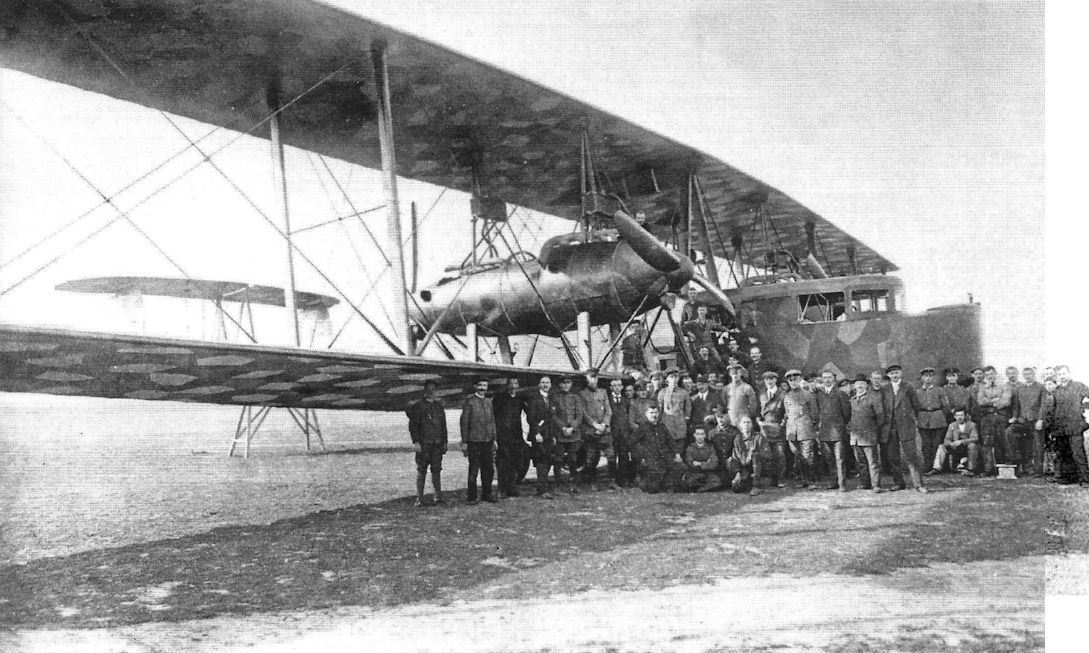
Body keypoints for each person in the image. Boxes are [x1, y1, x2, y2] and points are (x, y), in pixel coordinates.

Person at [885, 364, 928, 493]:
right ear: (888, 376)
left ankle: (919, 484)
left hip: (906, 426)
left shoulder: (908, 387)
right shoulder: (885, 389)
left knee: (912, 456)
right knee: (893, 457)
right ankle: (898, 483)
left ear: (901, 373)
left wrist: (910, 420)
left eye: (897, 372)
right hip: (891, 427)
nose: (895, 375)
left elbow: (916, 405)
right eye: (892, 373)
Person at [405, 380, 448, 507]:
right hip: (424, 445)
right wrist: (416, 442)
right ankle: (419, 497)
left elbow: (443, 427)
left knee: (436, 470)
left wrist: (444, 442)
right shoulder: (418, 407)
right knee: (421, 471)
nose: (431, 392)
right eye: (429, 389)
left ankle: (438, 496)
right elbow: (413, 426)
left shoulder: (439, 407)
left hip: (437, 445)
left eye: (433, 389)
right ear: (425, 391)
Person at [1047, 365, 1089, 486]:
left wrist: (1085, 410)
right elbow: (1052, 410)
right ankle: (1067, 478)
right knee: (1063, 453)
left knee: (1078, 453)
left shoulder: (1078, 386)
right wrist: (1052, 427)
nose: (1062, 376)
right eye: (1059, 374)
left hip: (1075, 426)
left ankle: (1085, 479)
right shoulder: (1056, 391)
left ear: (1069, 373)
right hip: (1060, 427)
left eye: (1064, 373)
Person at [460, 378, 498, 504]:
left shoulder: (488, 402)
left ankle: (486, 494)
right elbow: (464, 423)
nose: (482, 388)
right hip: (474, 441)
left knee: (488, 469)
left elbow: (492, 422)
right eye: (480, 385)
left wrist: (494, 439)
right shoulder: (469, 402)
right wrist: (464, 442)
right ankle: (471, 497)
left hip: (488, 441)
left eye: (485, 385)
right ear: (475, 386)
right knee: (474, 469)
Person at [1005, 367, 1046, 477]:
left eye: (1030, 374)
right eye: (1025, 374)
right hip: (1023, 421)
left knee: (1037, 446)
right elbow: (1016, 406)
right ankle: (1016, 459)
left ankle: (1037, 470)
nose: (1027, 376)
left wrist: (1040, 419)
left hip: (1036, 422)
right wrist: (1014, 417)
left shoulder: (1040, 387)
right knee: (1010, 432)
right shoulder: (1020, 388)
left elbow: (1043, 405)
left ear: (1034, 375)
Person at [578, 369, 616, 489]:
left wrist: (604, 424)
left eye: (595, 377)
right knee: (591, 459)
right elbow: (583, 413)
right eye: (591, 377)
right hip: (591, 431)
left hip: (604, 430)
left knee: (611, 456)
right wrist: (595, 425)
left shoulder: (603, 392)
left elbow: (608, 410)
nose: (594, 380)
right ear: (587, 379)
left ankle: (611, 482)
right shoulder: (582, 394)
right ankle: (592, 483)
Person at [814, 370, 851, 490]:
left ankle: (842, 483)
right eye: (824, 378)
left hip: (838, 431)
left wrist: (840, 424)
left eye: (829, 377)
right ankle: (834, 481)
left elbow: (846, 413)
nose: (827, 380)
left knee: (840, 458)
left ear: (834, 379)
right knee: (829, 459)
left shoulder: (841, 393)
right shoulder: (819, 395)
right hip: (825, 431)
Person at [782, 369, 819, 489]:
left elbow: (815, 414)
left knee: (807, 456)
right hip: (792, 431)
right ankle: (803, 480)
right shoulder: (787, 396)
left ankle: (811, 480)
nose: (793, 382)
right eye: (791, 380)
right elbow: (787, 413)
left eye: (796, 380)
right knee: (797, 456)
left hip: (805, 429)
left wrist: (811, 426)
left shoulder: (807, 395)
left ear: (800, 380)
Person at [632, 405, 681, 493]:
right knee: (653, 488)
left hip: (664, 456)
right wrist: (642, 456)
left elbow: (670, 441)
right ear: (646, 414)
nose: (654, 415)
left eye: (656, 413)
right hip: (650, 458)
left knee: (678, 469)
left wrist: (677, 454)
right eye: (651, 413)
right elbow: (633, 443)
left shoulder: (662, 426)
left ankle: (667, 484)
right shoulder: (642, 428)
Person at [848, 374, 884, 493]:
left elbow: (880, 417)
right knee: (861, 462)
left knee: (872, 462)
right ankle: (865, 483)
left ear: (866, 385)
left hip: (869, 436)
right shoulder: (852, 400)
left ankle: (876, 485)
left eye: (862, 383)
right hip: (855, 437)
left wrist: (872, 430)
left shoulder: (873, 398)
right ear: (854, 386)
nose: (859, 385)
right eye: (857, 383)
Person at [493, 378, 528, 498]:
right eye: (511, 383)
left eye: (516, 383)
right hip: (503, 435)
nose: (513, 386)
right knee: (503, 462)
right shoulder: (500, 398)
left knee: (518, 461)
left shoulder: (519, 398)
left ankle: (512, 487)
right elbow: (493, 415)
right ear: (507, 385)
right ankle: (502, 489)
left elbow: (529, 411)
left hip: (516, 435)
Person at [523, 376, 558, 498]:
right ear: (539, 385)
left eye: (547, 383)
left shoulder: (552, 398)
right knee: (540, 461)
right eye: (543, 382)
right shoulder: (534, 399)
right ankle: (543, 490)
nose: (545, 385)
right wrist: (537, 433)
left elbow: (552, 419)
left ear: (550, 385)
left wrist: (553, 435)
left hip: (549, 434)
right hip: (538, 435)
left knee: (548, 460)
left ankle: (541, 486)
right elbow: (531, 418)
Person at [975, 366, 1011, 472]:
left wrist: (993, 401)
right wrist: (994, 400)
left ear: (995, 373)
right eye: (987, 375)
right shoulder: (983, 387)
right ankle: (988, 469)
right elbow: (980, 401)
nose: (990, 376)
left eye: (991, 374)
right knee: (987, 443)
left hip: (1001, 417)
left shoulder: (1004, 386)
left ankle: (1003, 468)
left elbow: (1006, 401)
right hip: (987, 417)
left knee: (1002, 441)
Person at [553, 375, 584, 493]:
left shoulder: (575, 398)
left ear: (571, 384)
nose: (566, 385)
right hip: (560, 435)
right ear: (560, 385)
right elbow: (554, 415)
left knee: (573, 459)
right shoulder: (555, 398)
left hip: (573, 434)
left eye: (568, 382)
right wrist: (563, 428)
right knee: (558, 459)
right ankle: (558, 485)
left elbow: (579, 415)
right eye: (563, 383)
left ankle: (574, 484)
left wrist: (572, 427)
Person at [757, 371, 787, 488]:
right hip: (764, 428)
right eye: (766, 380)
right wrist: (759, 421)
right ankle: (769, 478)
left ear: (775, 380)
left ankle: (780, 479)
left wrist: (782, 425)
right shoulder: (761, 394)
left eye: (771, 379)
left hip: (778, 427)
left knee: (779, 455)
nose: (768, 382)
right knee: (766, 454)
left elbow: (786, 413)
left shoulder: (782, 394)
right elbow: (757, 410)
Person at [927, 408, 980, 476]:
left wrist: (961, 442)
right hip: (956, 448)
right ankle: (937, 468)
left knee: (972, 445)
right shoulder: (952, 425)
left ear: (965, 416)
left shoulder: (972, 425)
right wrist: (951, 443)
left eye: (961, 415)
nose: (959, 417)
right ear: (955, 416)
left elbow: (975, 438)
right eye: (957, 416)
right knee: (941, 447)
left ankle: (971, 469)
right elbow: (946, 439)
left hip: (967, 447)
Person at [727, 415, 768, 496]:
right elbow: (735, 457)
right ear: (740, 425)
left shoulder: (759, 437)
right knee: (736, 488)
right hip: (744, 467)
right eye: (744, 422)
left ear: (752, 425)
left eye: (748, 422)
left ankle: (756, 486)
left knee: (755, 455)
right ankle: (748, 482)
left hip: (759, 467)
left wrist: (752, 455)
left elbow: (767, 454)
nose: (746, 424)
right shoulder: (738, 439)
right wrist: (737, 473)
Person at [915, 367, 947, 469]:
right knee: (926, 444)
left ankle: (936, 466)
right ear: (922, 378)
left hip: (937, 419)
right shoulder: (918, 392)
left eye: (930, 376)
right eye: (925, 376)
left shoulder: (939, 390)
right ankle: (927, 466)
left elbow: (946, 405)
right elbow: (915, 406)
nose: (928, 378)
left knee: (936, 443)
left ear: (933, 378)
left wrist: (940, 415)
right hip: (923, 419)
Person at [608, 377, 636, 488]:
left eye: (619, 385)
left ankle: (623, 479)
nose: (617, 388)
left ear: (622, 387)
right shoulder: (608, 400)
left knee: (624, 456)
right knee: (612, 457)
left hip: (624, 433)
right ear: (611, 387)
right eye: (614, 385)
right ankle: (612, 480)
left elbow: (630, 417)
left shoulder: (626, 401)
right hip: (612, 433)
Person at [658, 368, 692, 454]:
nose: (673, 379)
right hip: (667, 424)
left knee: (680, 449)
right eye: (671, 377)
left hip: (680, 424)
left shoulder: (684, 392)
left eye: (676, 377)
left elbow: (688, 409)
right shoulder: (662, 392)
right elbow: (659, 408)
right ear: (667, 379)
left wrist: (685, 419)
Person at [681, 425, 721, 492]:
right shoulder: (690, 448)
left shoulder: (710, 447)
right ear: (694, 435)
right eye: (698, 434)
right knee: (689, 482)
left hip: (707, 473)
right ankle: (702, 487)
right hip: (695, 473)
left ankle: (700, 489)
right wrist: (706, 463)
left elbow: (714, 463)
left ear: (705, 435)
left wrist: (699, 463)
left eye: (702, 434)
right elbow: (690, 462)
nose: (700, 437)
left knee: (717, 481)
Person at [725, 363, 759, 427]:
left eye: (737, 373)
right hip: (731, 419)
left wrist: (748, 416)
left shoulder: (747, 388)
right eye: (733, 374)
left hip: (744, 420)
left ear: (740, 373)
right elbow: (724, 404)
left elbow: (753, 406)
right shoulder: (726, 389)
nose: (735, 376)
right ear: (730, 374)